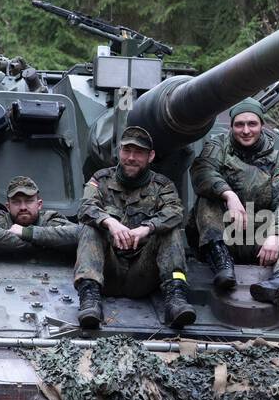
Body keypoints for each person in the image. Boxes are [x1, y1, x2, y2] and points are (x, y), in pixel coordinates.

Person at [190, 98, 279, 308]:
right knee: (207, 198)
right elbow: (202, 172)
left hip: (261, 241)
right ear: (232, 126)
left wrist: (276, 236)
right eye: (239, 124)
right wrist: (229, 195)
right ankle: (222, 264)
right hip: (223, 236)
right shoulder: (219, 145)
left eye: (252, 124)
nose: (246, 130)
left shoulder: (276, 158)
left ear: (262, 125)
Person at [73, 126, 195, 330]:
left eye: (138, 152)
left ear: (151, 156)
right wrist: (109, 222)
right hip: (107, 270)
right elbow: (85, 207)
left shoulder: (162, 186)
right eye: (126, 151)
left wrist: (147, 228)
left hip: (142, 273)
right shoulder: (101, 179)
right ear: (119, 152)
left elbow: (175, 212)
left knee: (169, 230)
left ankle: (176, 297)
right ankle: (89, 299)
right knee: (90, 227)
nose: (131, 157)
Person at [0, 175, 81, 255]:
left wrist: (28, 233)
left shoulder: (49, 219)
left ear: (39, 205)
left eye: (29, 201)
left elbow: (79, 234)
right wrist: (44, 243)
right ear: (8, 207)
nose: (23, 207)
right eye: (16, 202)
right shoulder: (0, 218)